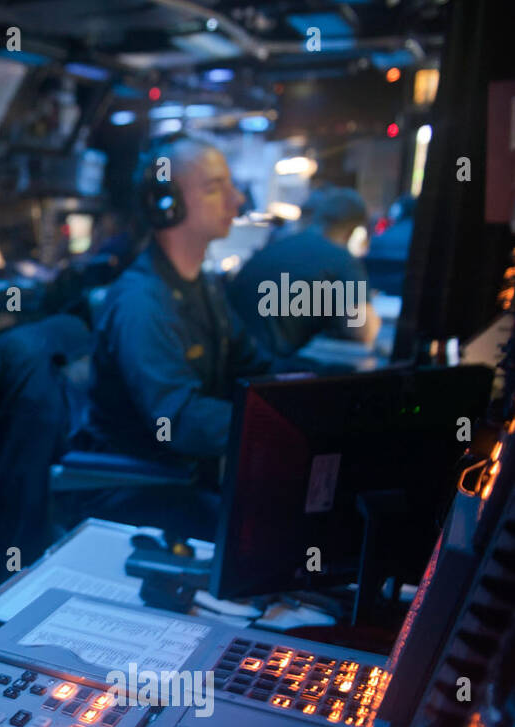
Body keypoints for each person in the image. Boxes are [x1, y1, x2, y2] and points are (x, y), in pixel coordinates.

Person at [79, 137, 274, 541]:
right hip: (138, 489)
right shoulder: (141, 303)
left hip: (185, 476)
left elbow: (255, 368)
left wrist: (308, 394)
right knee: (267, 539)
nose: (236, 200)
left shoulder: (205, 289)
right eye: (215, 188)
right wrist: (275, 425)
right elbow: (178, 420)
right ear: (166, 204)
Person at [227, 186, 380, 358]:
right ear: (354, 232)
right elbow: (363, 331)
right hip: (267, 369)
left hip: (233, 361)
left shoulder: (278, 246)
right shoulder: (342, 259)